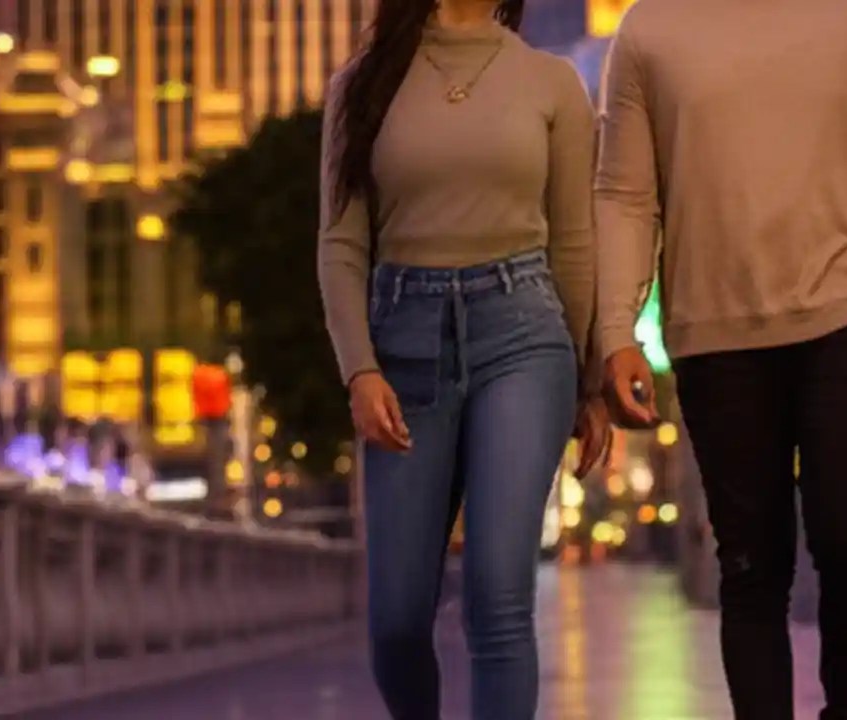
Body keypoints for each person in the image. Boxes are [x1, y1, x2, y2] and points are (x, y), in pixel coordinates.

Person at [595, 1, 847, 718]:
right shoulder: (650, 27)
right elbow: (623, 195)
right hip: (713, 329)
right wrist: (615, 332)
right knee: (750, 567)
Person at [316, 0, 609, 717]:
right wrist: (360, 368)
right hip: (402, 340)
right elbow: (341, 243)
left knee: (498, 594)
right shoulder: (362, 85)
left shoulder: (552, 81)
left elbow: (575, 241)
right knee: (396, 619)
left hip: (524, 331)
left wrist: (586, 381)